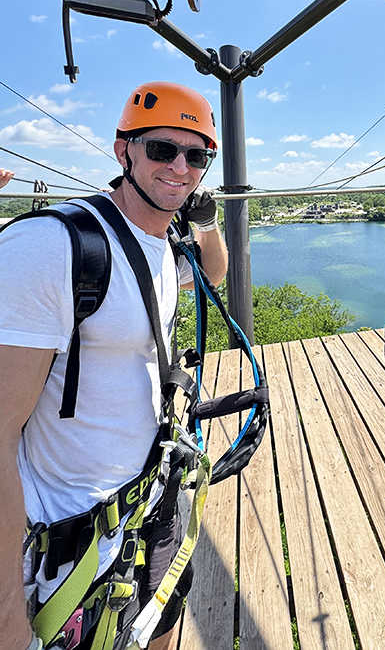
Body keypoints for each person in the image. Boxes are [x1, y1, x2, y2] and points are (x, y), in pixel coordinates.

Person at [0, 81, 228, 650]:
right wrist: (5, 612)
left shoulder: (157, 244)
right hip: (73, 536)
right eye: (161, 150)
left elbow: (214, 273)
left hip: (151, 497)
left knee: (160, 622)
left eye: (196, 156)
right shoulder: (56, 248)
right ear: (123, 150)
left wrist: (204, 219)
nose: (179, 167)